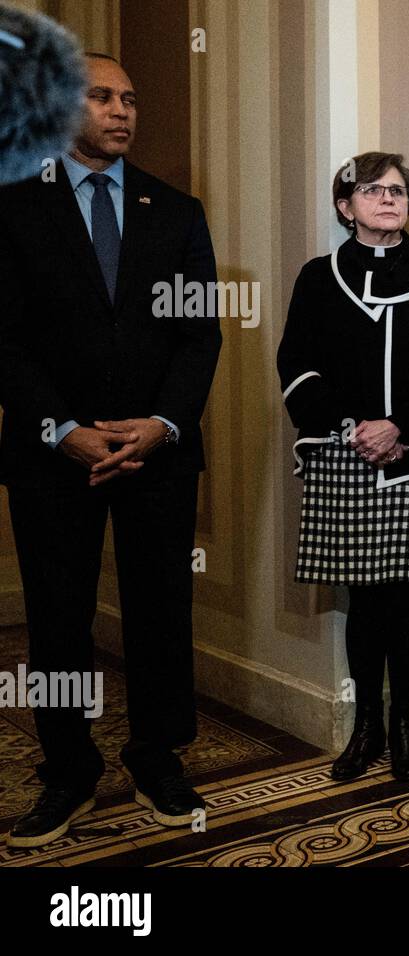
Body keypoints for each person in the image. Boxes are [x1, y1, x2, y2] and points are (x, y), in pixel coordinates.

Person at [0, 53, 223, 848]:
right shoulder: (15, 206)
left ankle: (158, 756)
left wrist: (163, 422)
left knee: (160, 612)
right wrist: (62, 430)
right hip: (49, 455)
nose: (122, 111)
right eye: (101, 97)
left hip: (156, 453)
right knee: (59, 621)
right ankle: (68, 771)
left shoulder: (178, 210)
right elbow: (6, 340)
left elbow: (201, 334)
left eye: (129, 98)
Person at [278, 151, 409, 785]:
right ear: (346, 206)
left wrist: (399, 429)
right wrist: (354, 429)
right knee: (364, 601)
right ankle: (365, 726)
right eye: (372, 190)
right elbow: (297, 366)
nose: (388, 199)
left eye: (397, 191)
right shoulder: (317, 278)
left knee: (405, 601)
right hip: (343, 456)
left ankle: (404, 728)